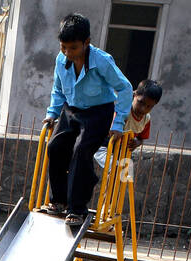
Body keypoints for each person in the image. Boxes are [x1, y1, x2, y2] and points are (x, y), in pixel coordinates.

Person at [39, 13, 133, 228]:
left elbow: (125, 88)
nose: (67, 52)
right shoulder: (61, 59)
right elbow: (58, 89)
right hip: (71, 110)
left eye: (73, 48)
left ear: (86, 43)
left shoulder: (102, 62)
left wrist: (117, 124)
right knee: (55, 147)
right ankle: (59, 200)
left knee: (82, 152)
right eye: (63, 47)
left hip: (98, 112)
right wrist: (52, 113)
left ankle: (76, 208)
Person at [92, 78, 162, 178]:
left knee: (125, 177)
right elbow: (109, 128)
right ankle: (109, 185)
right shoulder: (123, 111)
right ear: (134, 95)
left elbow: (141, 138)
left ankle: (114, 188)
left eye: (149, 106)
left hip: (123, 153)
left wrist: (137, 143)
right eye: (140, 102)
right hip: (105, 147)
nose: (143, 109)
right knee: (114, 169)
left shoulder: (146, 119)